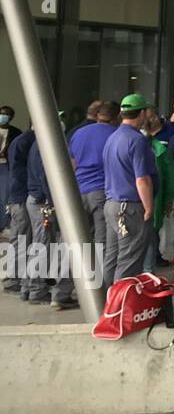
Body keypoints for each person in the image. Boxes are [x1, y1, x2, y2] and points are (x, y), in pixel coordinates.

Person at [101, 94, 159, 285]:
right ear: (142, 113)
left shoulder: (112, 137)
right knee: (129, 261)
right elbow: (142, 178)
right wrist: (149, 207)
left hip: (111, 204)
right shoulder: (137, 140)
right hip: (131, 208)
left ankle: (106, 304)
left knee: (113, 256)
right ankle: (122, 307)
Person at [25, 121, 77, 309]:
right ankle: (37, 291)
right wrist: (52, 203)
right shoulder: (45, 146)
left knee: (42, 245)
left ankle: (35, 289)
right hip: (42, 202)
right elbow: (45, 176)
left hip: (38, 200)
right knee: (43, 247)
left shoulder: (37, 144)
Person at [67, 100, 117, 285]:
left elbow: (72, 165)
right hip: (102, 192)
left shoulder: (78, 133)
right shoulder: (115, 135)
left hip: (79, 191)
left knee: (76, 239)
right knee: (102, 242)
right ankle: (96, 290)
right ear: (116, 116)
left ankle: (63, 291)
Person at [143, 106, 174, 273]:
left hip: (131, 202)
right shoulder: (157, 149)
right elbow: (168, 177)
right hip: (148, 202)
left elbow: (168, 176)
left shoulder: (117, 140)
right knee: (148, 242)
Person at [3, 125, 35, 296]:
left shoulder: (21, 140)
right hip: (21, 197)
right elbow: (22, 172)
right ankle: (16, 279)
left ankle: (14, 278)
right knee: (23, 239)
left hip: (17, 196)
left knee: (19, 239)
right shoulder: (28, 141)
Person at [0, 104, 19, 235]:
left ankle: (2, 224)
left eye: (6, 114)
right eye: (2, 113)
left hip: (5, 165)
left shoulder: (16, 132)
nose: (3, 116)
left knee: (4, 196)